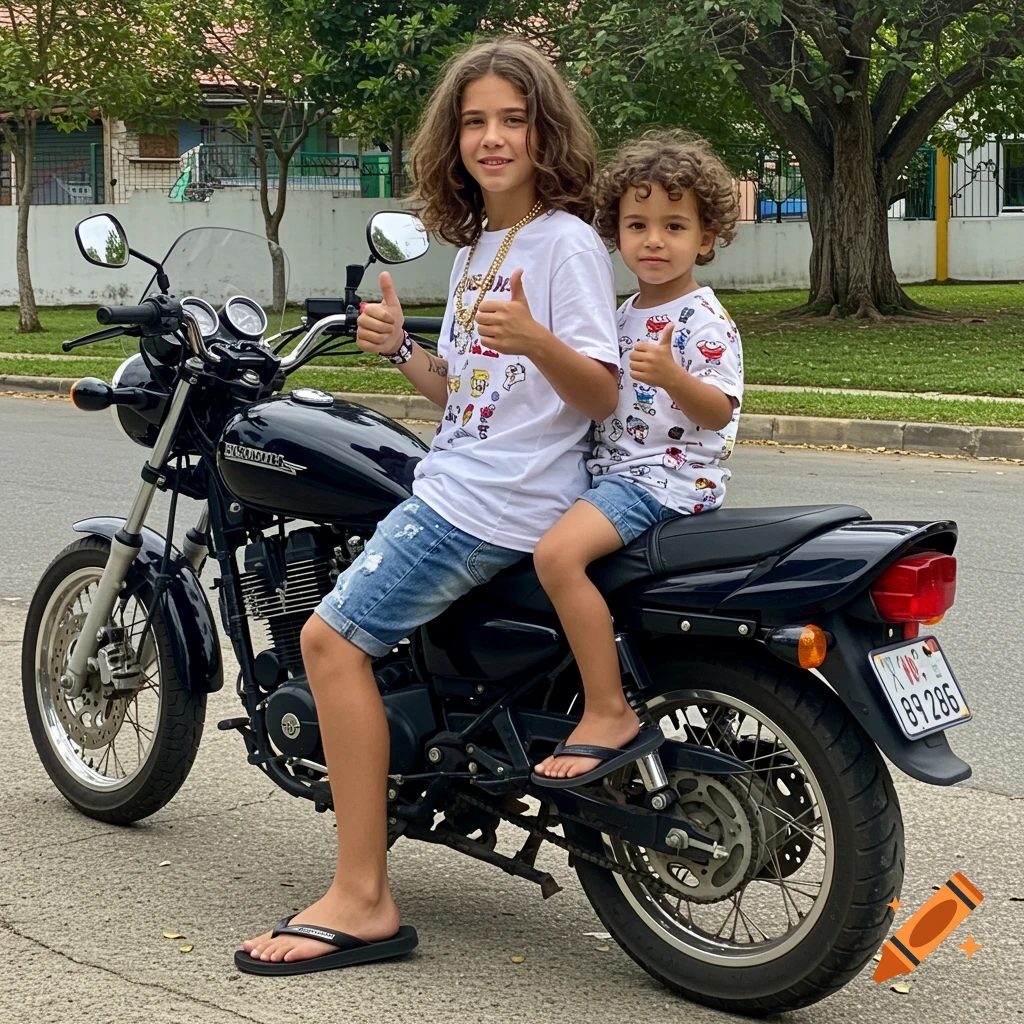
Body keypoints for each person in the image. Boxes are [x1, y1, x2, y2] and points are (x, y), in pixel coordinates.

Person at [237, 36, 620, 974]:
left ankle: (362, 896)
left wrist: (533, 334)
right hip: (475, 476)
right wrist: (401, 355)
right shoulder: (480, 247)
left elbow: (600, 393)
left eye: (512, 120)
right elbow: (477, 399)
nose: (493, 138)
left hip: (497, 500)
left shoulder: (564, 242)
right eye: (475, 121)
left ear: (545, 131)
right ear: (452, 141)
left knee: (329, 642)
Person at [532, 130, 744, 786]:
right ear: (615, 233)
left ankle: (606, 708)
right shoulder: (621, 313)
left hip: (665, 479)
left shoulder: (702, 320)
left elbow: (720, 412)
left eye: (674, 225)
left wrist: (677, 377)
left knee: (557, 556)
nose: (654, 240)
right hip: (620, 472)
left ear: (706, 238)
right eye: (637, 224)